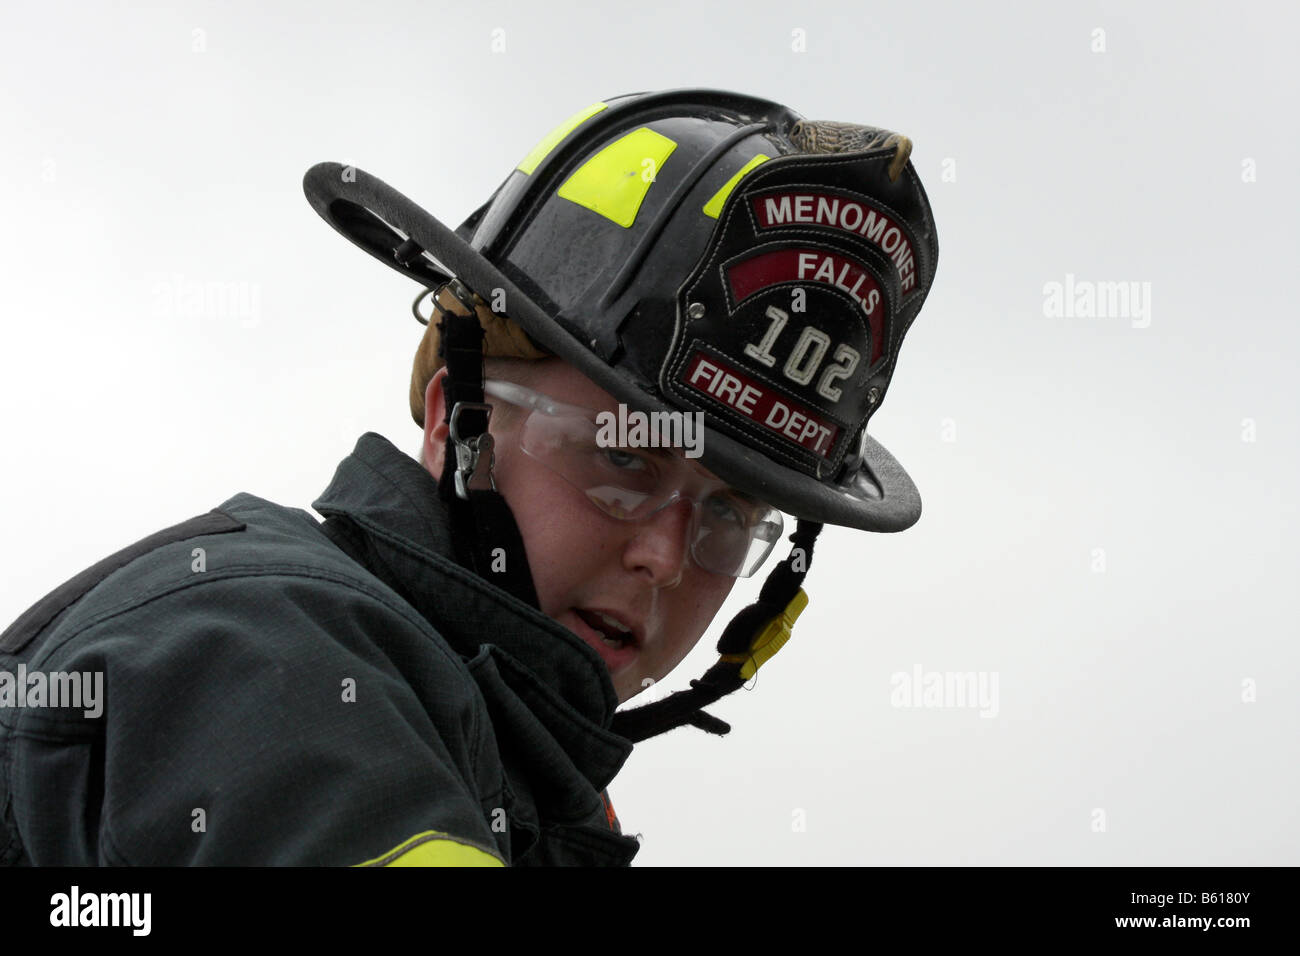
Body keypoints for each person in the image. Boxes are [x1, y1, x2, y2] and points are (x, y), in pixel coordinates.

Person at [0, 88, 939, 866]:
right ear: (458, 422)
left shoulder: (515, 781)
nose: (663, 555)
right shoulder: (273, 654)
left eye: (731, 514)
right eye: (621, 457)